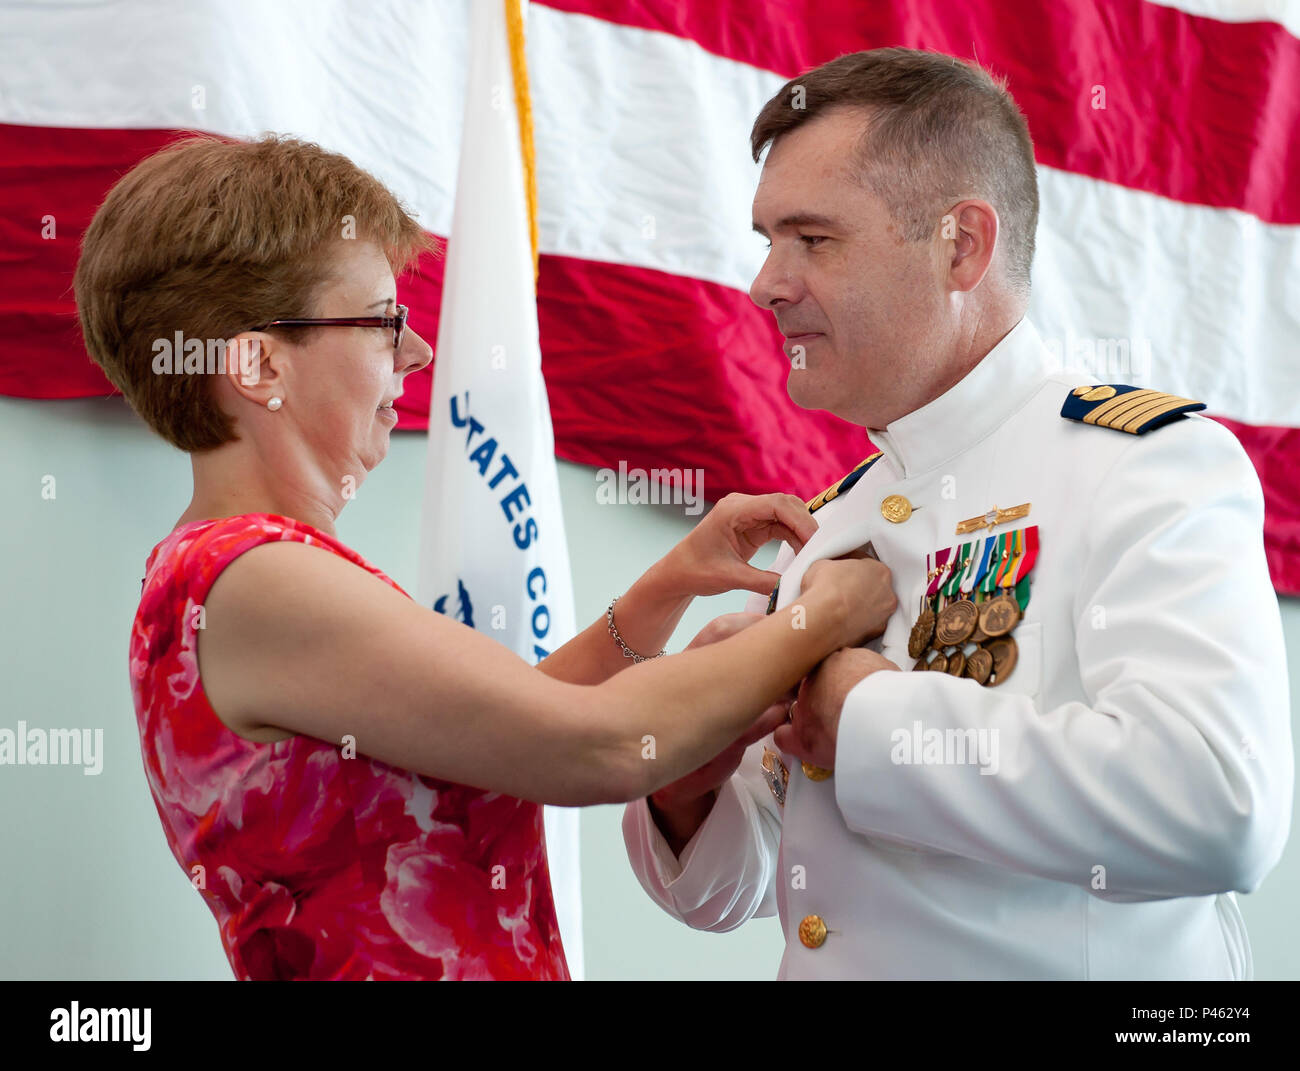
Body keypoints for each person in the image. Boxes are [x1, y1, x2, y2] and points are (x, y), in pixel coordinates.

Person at [74, 133, 897, 980]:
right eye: (380, 322)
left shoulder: (231, 570)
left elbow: (507, 727)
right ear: (256, 362)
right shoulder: (252, 577)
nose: (416, 351)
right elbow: (598, 749)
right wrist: (822, 613)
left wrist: (670, 582)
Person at [623, 47, 1293, 980]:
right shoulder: (835, 520)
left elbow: (1219, 804)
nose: (766, 284)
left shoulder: (1144, 466)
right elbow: (745, 889)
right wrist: (690, 788)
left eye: (813, 240)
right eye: (766, 239)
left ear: (961, 245)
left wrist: (866, 717)